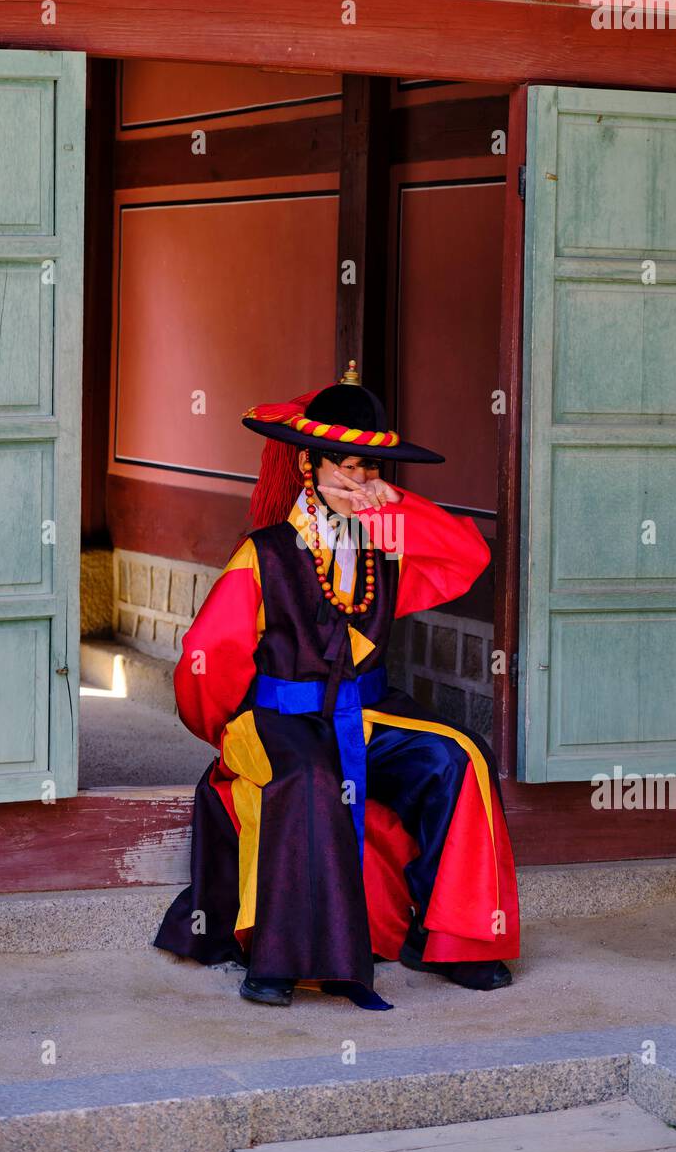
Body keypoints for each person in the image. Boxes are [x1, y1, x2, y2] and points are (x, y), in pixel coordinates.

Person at [154, 362, 520, 1009]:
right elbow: (204, 661)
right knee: (308, 778)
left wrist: (394, 512)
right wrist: (233, 735)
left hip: (367, 710)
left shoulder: (385, 547)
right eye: (345, 465)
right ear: (309, 467)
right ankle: (277, 959)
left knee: (458, 758)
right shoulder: (263, 553)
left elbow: (468, 559)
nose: (359, 479)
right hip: (273, 713)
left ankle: (455, 939)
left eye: (371, 468)